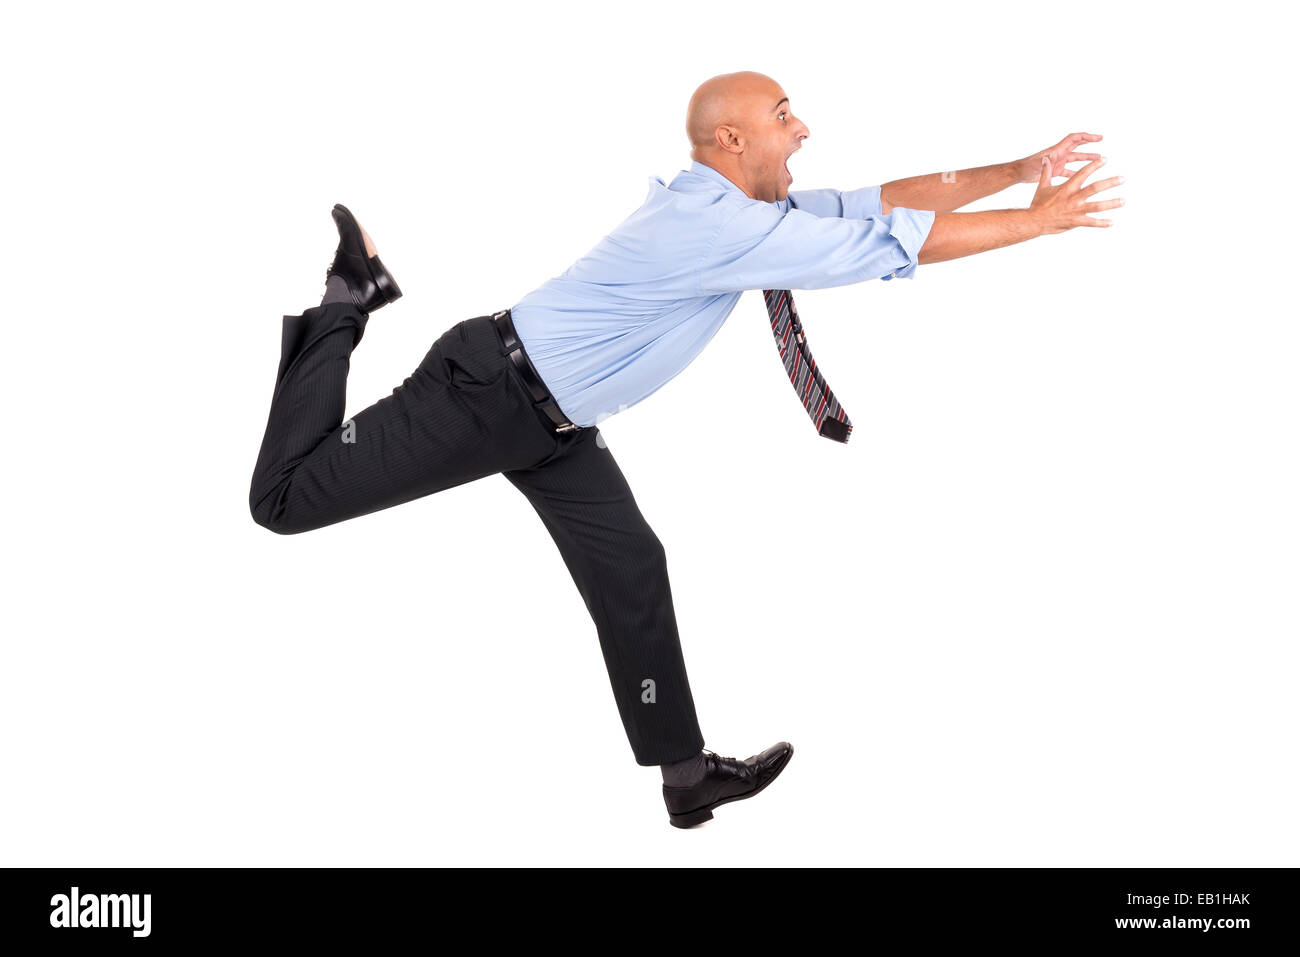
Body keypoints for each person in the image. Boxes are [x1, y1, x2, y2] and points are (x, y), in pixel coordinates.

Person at [249, 70, 1124, 828]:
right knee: (281, 502)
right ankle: (347, 298)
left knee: (633, 563)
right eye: (787, 115)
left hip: (552, 424)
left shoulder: (743, 206)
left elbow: (883, 203)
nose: (805, 127)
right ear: (733, 139)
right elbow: (885, 249)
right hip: (483, 394)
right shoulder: (719, 226)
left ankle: (685, 778)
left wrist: (1017, 174)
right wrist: (1036, 224)